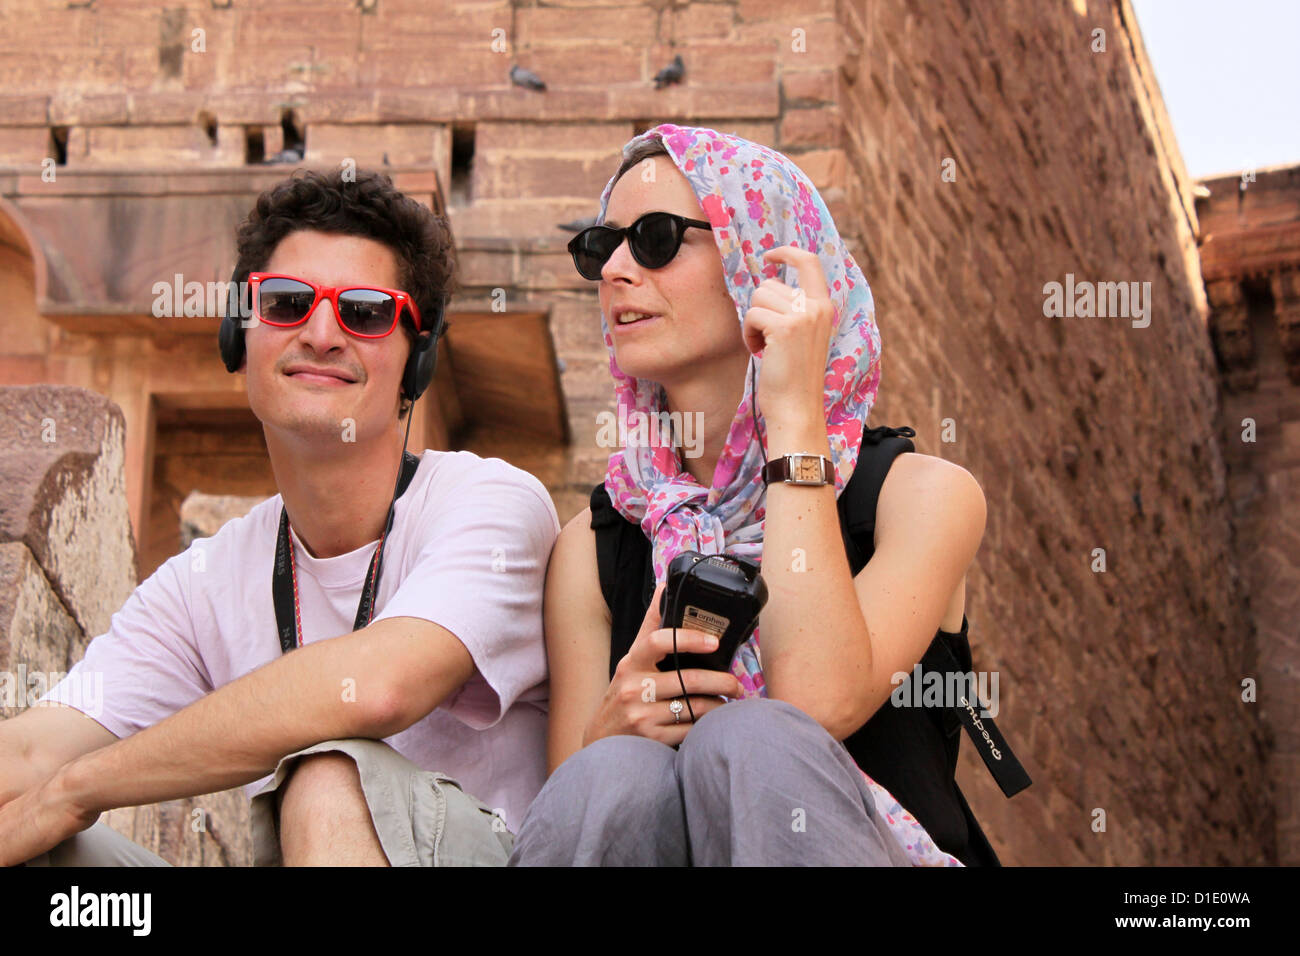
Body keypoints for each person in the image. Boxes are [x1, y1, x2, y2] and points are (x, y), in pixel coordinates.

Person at [0, 168, 560, 867]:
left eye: (365, 312)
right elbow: (29, 751)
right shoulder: (203, 582)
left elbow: (382, 685)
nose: (322, 334)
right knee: (42, 850)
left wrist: (79, 787)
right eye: (288, 303)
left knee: (330, 778)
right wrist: (48, 798)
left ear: (416, 360)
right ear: (241, 333)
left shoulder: (489, 503)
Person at [509, 124, 988, 866]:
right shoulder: (596, 544)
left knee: (751, 736)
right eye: (603, 247)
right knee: (605, 774)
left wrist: (795, 414)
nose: (615, 270)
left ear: (763, 264)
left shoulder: (919, 496)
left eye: (658, 239)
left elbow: (816, 701)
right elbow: (573, 824)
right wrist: (609, 729)